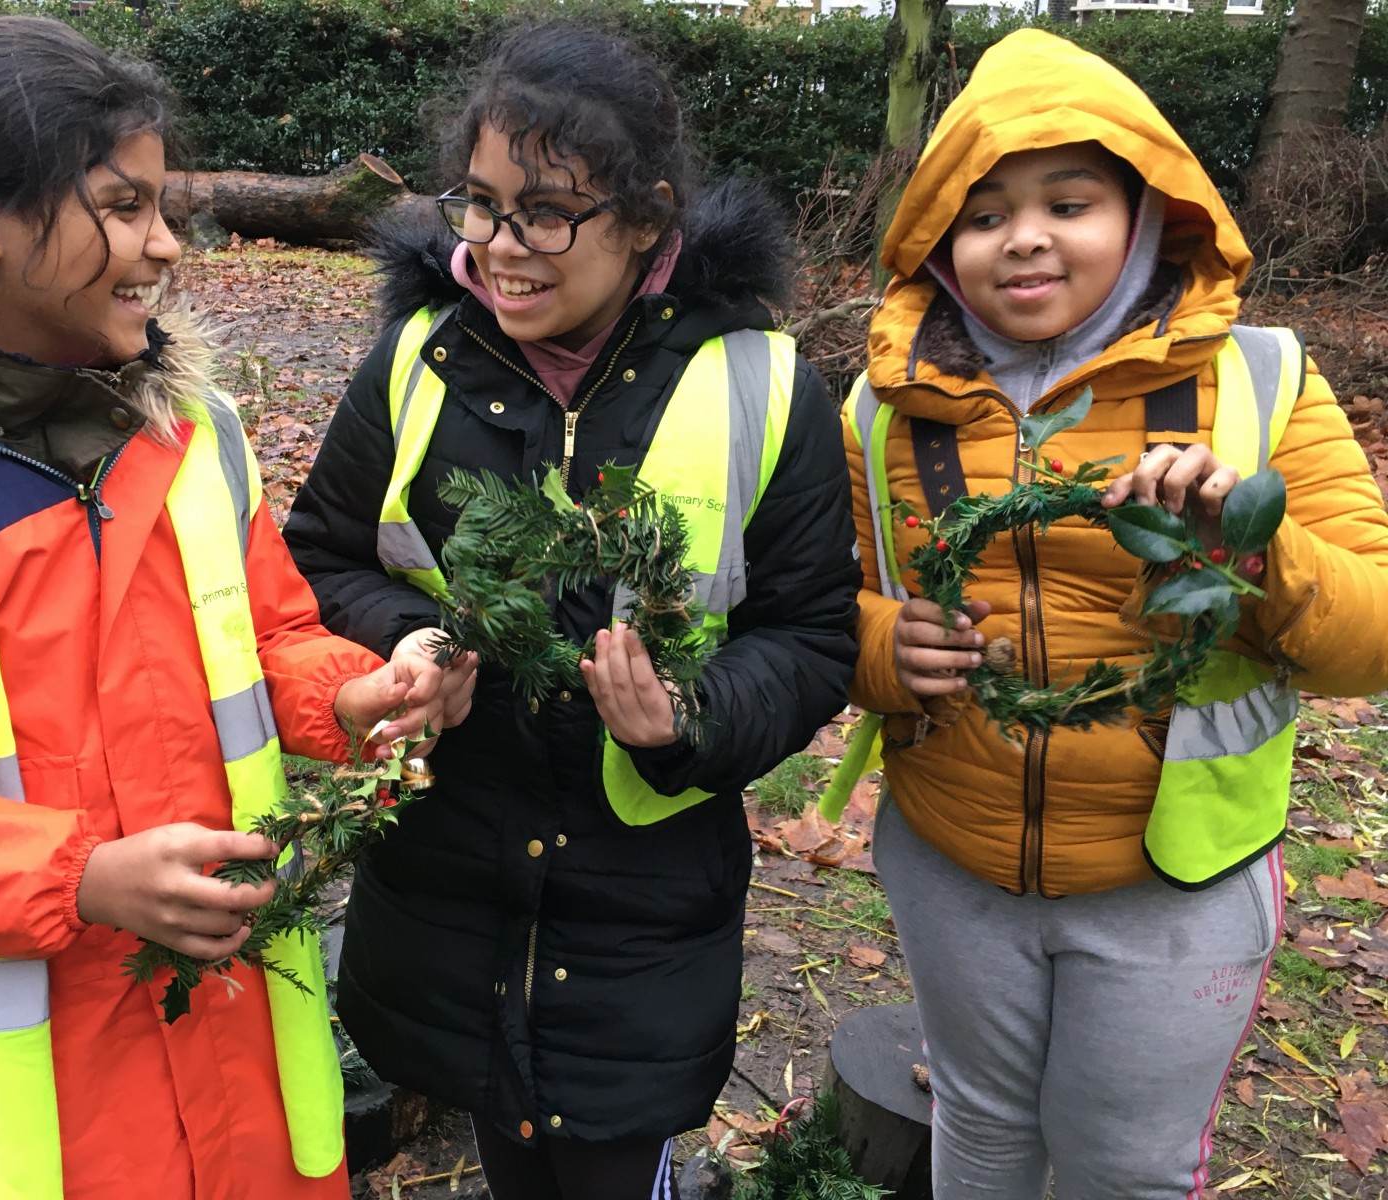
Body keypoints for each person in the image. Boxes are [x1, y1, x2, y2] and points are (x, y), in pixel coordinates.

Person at [0, 16, 471, 1200]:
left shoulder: (193, 433)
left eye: (163, 206)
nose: (164, 244)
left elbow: (267, 636)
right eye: (122, 206)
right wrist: (81, 877)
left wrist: (353, 691)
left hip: (245, 1084)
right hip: (25, 1136)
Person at [282, 22, 859, 1200]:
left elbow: (810, 637)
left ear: (647, 218)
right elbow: (319, 561)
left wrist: (688, 719)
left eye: (546, 213)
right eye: (482, 205)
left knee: (605, 1161)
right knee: (504, 1144)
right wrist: (405, 638)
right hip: (447, 880)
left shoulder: (760, 386)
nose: (500, 248)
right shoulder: (415, 363)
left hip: (639, 912)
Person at [846, 28, 1388, 1199]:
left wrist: (1256, 550)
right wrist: (882, 647)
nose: (1023, 236)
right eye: (982, 214)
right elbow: (819, 607)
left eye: (1068, 203)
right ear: (940, 240)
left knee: (1124, 1166)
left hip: (1174, 884)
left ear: (1145, 214)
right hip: (951, 860)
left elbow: (1373, 637)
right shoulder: (882, 410)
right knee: (979, 1130)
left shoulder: (1260, 380)